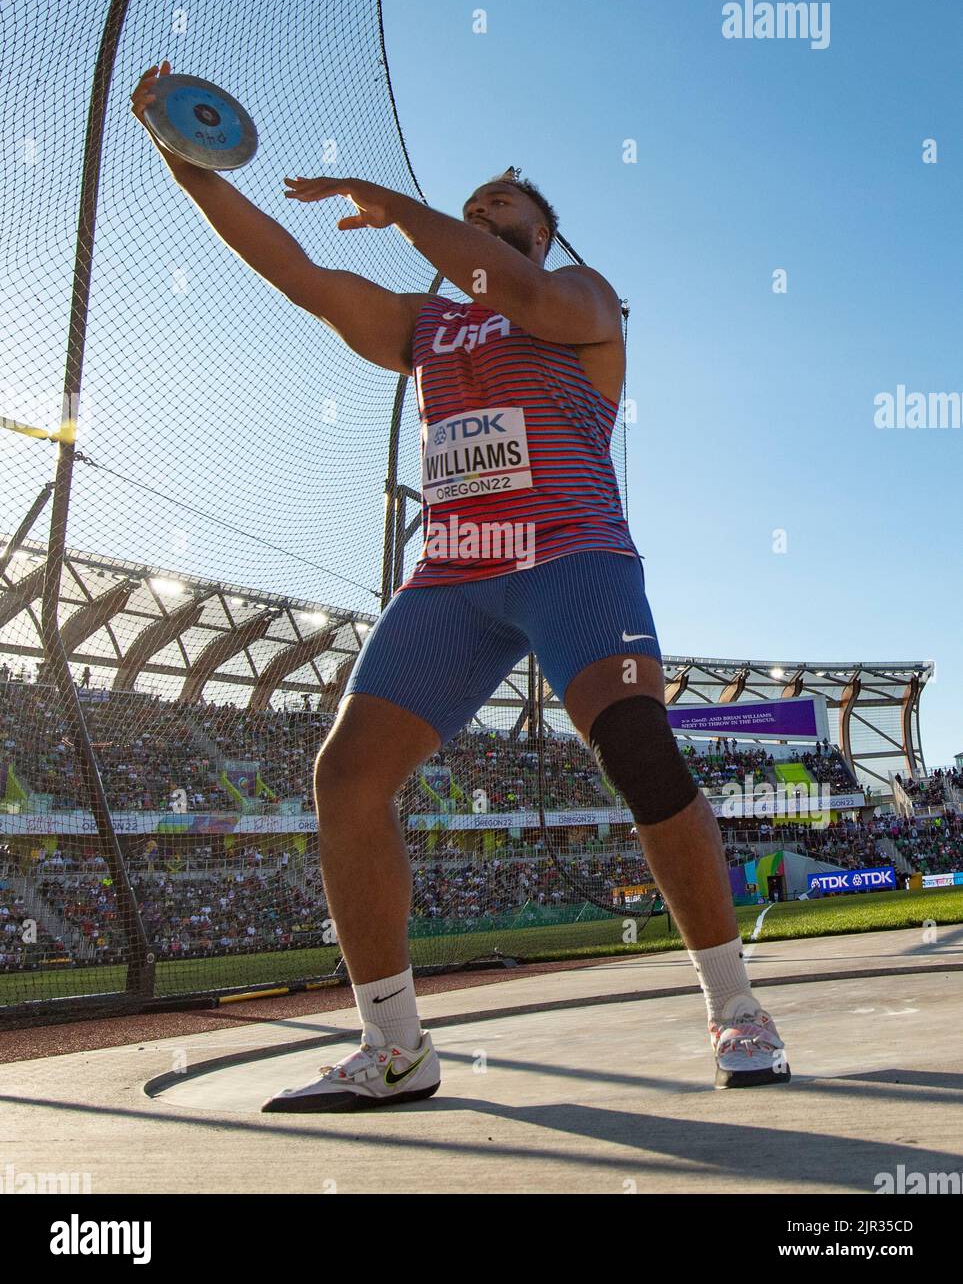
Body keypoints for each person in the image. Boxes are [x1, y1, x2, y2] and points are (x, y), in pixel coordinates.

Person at [131, 62, 790, 1111]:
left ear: (543, 228)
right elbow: (296, 272)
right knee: (344, 780)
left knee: (637, 746)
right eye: (472, 203)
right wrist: (187, 160)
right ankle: (394, 1047)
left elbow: (512, 288)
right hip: (454, 573)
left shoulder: (580, 298)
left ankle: (735, 1008)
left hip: (575, 558)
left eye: (501, 206)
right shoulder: (423, 327)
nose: (482, 211)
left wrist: (403, 210)